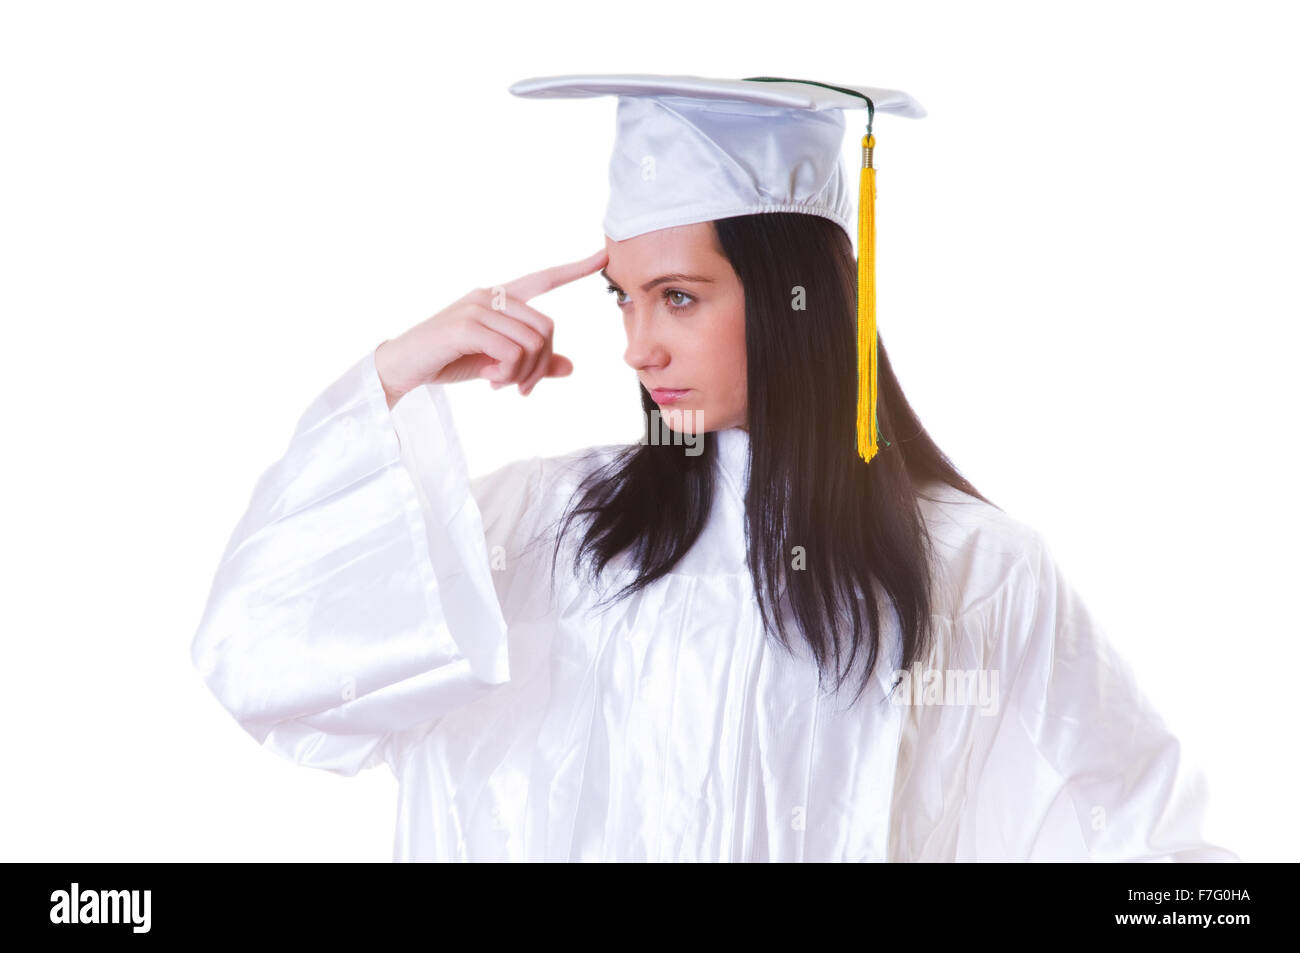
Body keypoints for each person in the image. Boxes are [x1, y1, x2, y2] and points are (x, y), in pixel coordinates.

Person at [190, 74, 1237, 862]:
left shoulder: (971, 564)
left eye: (679, 296)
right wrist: (394, 376)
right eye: (625, 298)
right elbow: (270, 663)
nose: (637, 347)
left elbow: (1148, 823)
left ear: (796, 300)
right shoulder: (543, 528)